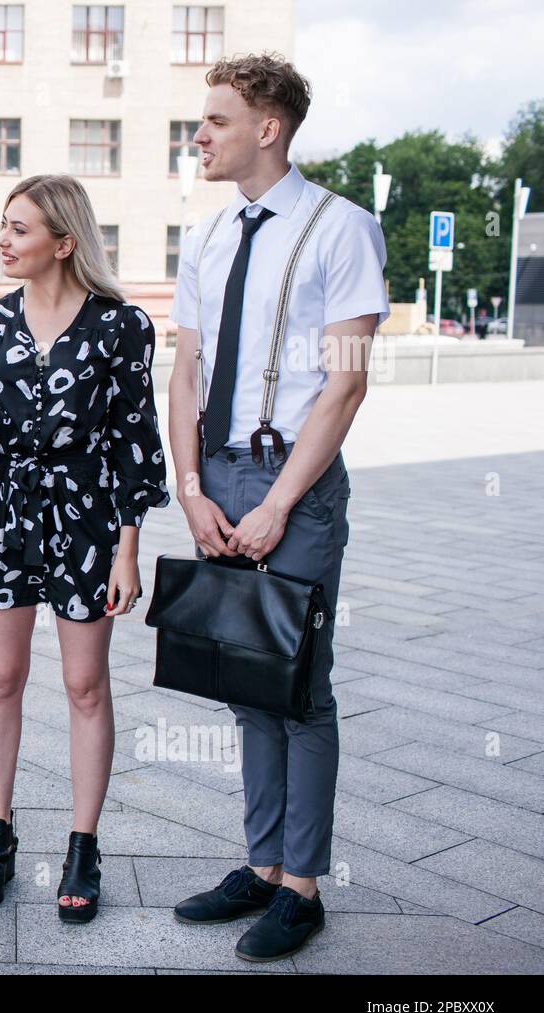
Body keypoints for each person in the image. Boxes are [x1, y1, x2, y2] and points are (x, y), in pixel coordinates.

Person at [0, 174, 169, 922]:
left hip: (88, 521)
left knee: (85, 683)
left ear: (64, 242)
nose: (3, 240)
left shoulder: (121, 326)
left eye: (18, 229)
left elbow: (133, 441)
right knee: (1, 675)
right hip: (8, 512)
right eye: (2, 225)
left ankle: (84, 845)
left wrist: (128, 546)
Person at [166, 54, 388, 961]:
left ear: (268, 127)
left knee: (297, 687)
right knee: (243, 684)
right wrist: (191, 489)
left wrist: (280, 504)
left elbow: (344, 386)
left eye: (215, 120)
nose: (200, 135)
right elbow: (182, 372)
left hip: (292, 480)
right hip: (216, 477)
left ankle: (302, 887)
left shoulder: (343, 228)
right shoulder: (210, 235)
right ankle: (260, 866)